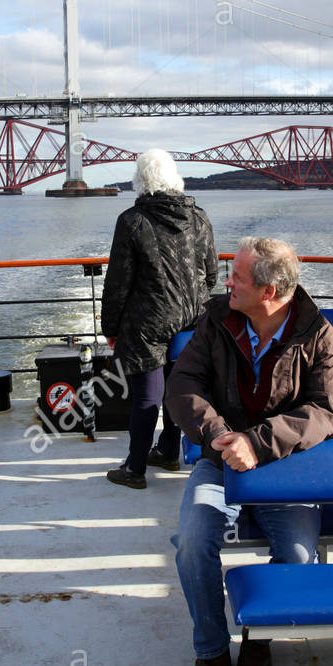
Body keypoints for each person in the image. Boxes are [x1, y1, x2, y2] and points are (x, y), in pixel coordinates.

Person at [165, 236, 333, 666]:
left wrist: (257, 443)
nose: (228, 283)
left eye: (238, 277)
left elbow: (325, 413)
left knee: (301, 556)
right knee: (192, 542)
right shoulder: (217, 320)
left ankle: (258, 636)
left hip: (285, 468)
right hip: (219, 459)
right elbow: (183, 383)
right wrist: (218, 433)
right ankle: (211, 652)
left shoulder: (318, 335)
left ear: (269, 292)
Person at [101, 149, 217, 489]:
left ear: (141, 180)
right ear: (174, 177)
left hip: (147, 324)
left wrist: (111, 328)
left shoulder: (131, 221)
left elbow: (118, 282)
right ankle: (167, 450)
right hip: (192, 319)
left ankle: (135, 468)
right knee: (179, 390)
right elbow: (210, 274)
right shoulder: (199, 217)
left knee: (147, 397)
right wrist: (192, 301)